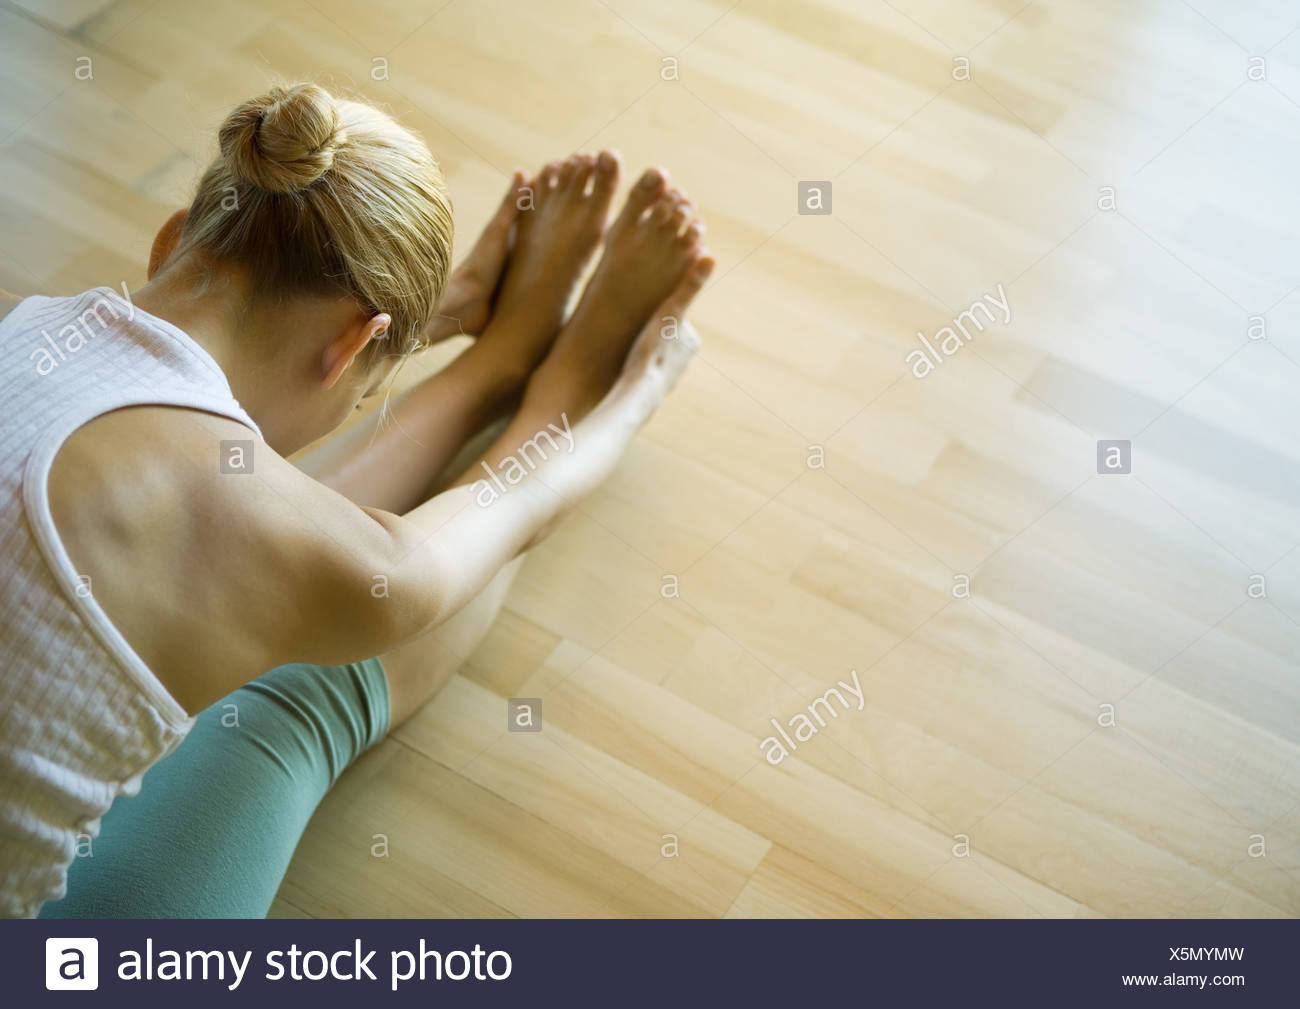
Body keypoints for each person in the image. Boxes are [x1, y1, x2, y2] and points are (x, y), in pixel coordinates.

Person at [0, 81, 713, 917]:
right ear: (353, 344)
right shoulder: (327, 552)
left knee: (230, 550)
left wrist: (419, 323)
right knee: (299, 691)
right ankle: (527, 381)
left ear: (169, 243)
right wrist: (615, 394)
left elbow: (199, 491)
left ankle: (494, 360)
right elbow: (515, 505)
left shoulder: (30, 326)